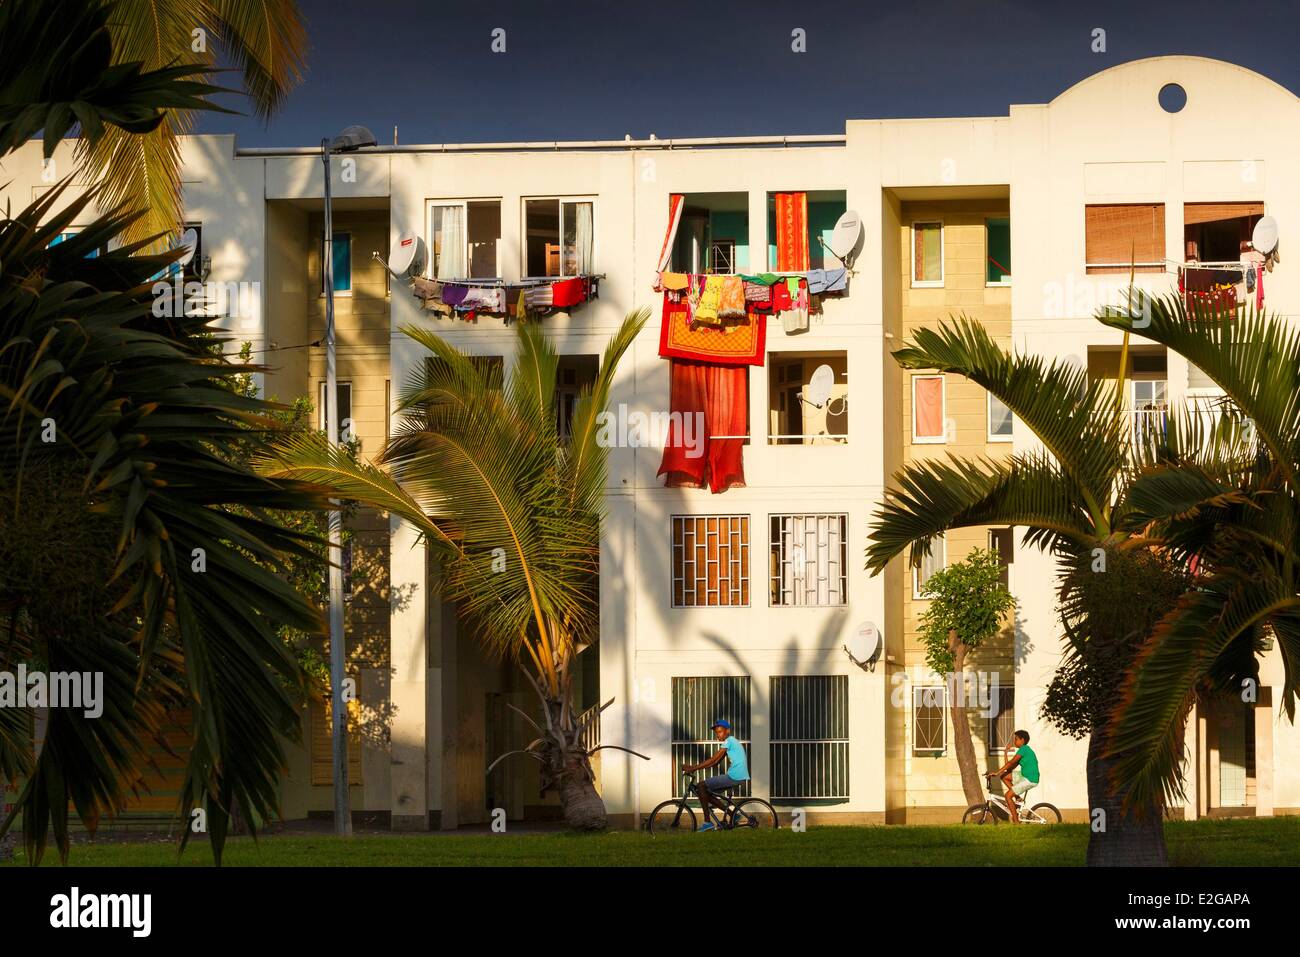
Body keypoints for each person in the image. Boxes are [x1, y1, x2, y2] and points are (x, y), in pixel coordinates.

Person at [680, 719, 749, 831]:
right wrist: (697, 768)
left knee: (701, 786)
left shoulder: (729, 741)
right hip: (738, 776)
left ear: (727, 731)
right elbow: (715, 762)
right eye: (716, 732)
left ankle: (708, 823)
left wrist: (693, 768)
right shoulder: (731, 742)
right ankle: (733, 815)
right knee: (705, 793)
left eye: (720, 731)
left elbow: (713, 760)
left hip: (734, 776)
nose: (718, 735)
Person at [988, 729, 1040, 823]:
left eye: (1016, 739)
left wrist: (996, 773)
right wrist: (1005, 754)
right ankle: (1017, 797)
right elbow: (1009, 768)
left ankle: (1016, 822)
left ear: (1022, 740)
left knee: (1007, 796)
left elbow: (1011, 763)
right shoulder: (1023, 751)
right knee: (1004, 776)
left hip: (1030, 779)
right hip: (1025, 776)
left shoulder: (1024, 749)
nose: (1014, 741)